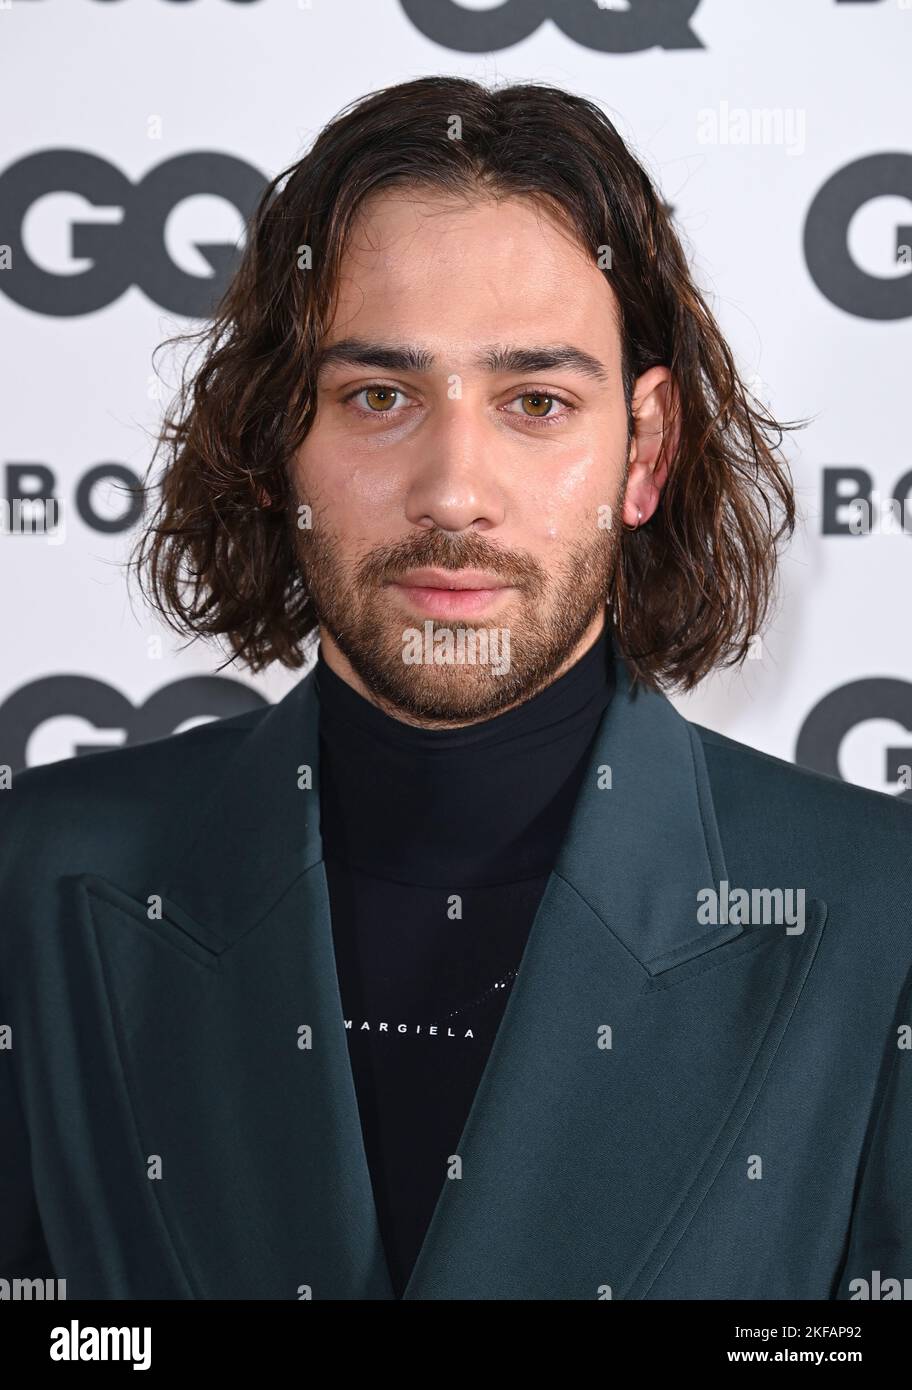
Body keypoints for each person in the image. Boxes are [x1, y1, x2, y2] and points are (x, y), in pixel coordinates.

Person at [1, 76, 909, 1302]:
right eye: (380, 397)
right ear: (280, 440)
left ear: (644, 452)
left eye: (537, 403)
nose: (452, 489)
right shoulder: (35, 883)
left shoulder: (878, 915)